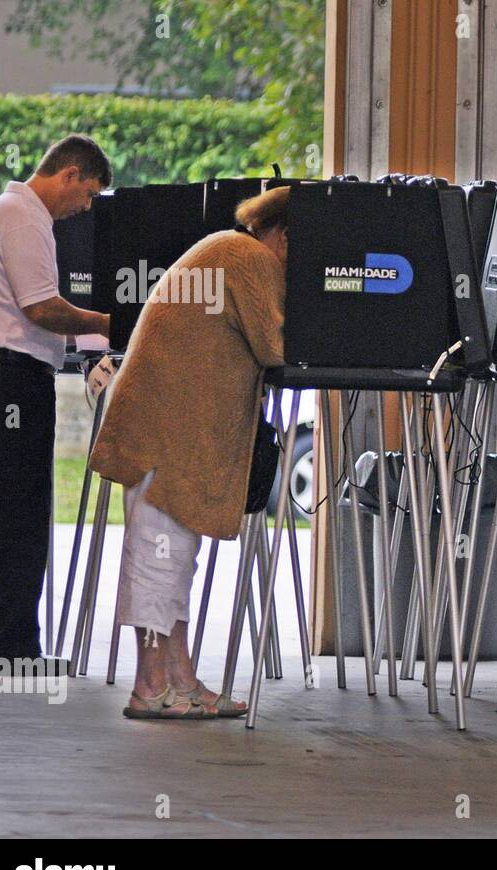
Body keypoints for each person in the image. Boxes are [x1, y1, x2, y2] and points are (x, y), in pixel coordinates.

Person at [89, 185, 289, 719]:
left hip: (169, 430)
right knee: (159, 561)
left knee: (172, 560)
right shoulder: (248, 256)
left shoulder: (225, 247)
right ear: (286, 236)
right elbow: (275, 344)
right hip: (167, 433)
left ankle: (181, 682)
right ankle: (149, 687)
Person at [0, 135, 112, 676]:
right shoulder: (25, 218)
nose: (86, 206)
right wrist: (107, 322)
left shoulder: (0, 213)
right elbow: (43, 309)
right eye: (89, 192)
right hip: (13, 378)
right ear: (69, 174)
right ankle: (11, 653)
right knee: (21, 515)